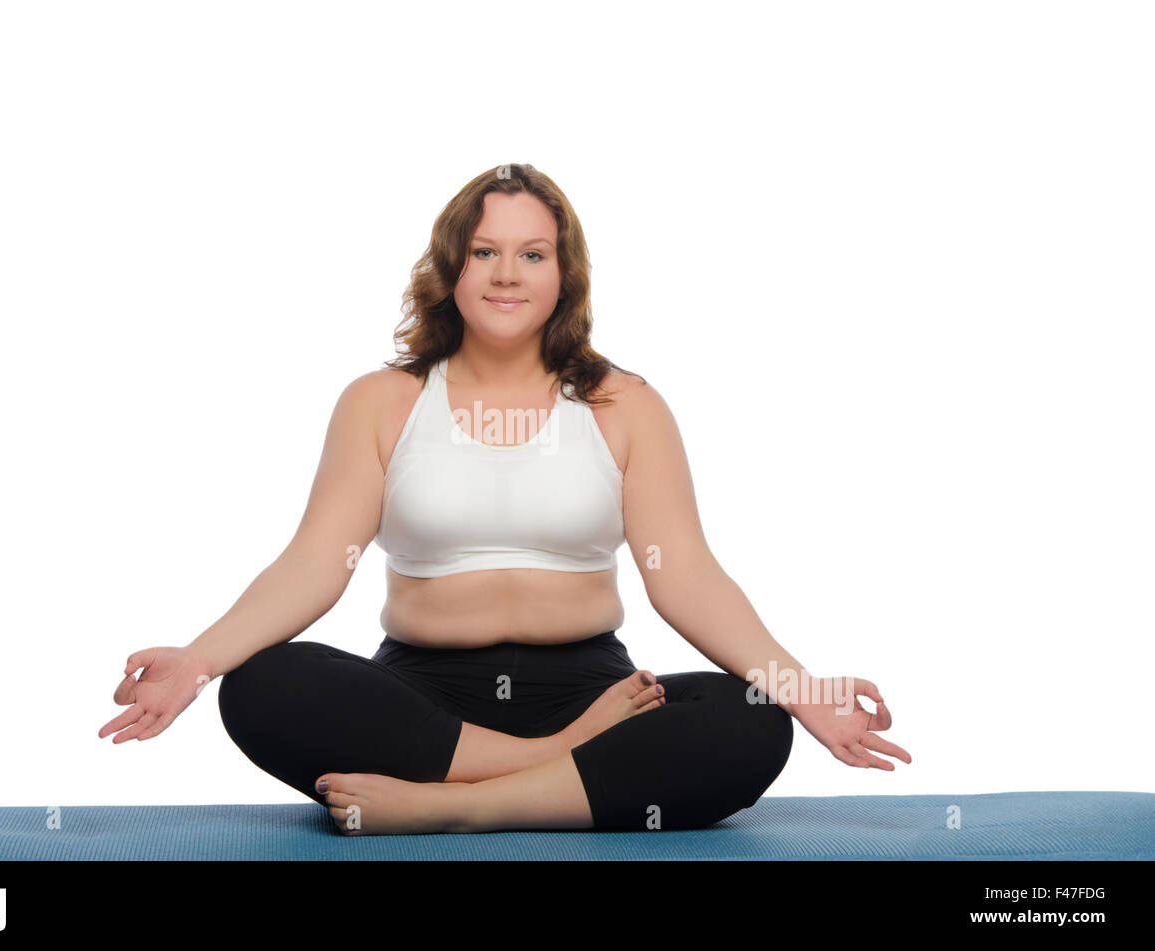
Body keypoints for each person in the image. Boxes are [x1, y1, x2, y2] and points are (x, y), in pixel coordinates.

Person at [98, 163, 912, 835]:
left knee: (751, 716)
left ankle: (456, 808)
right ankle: (552, 771)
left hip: (597, 693)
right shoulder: (380, 403)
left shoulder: (625, 404)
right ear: (452, 265)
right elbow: (316, 559)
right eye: (485, 251)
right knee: (261, 683)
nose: (506, 274)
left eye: (532, 254)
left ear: (565, 275)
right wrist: (200, 661)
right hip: (422, 703)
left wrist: (803, 689)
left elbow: (688, 574)